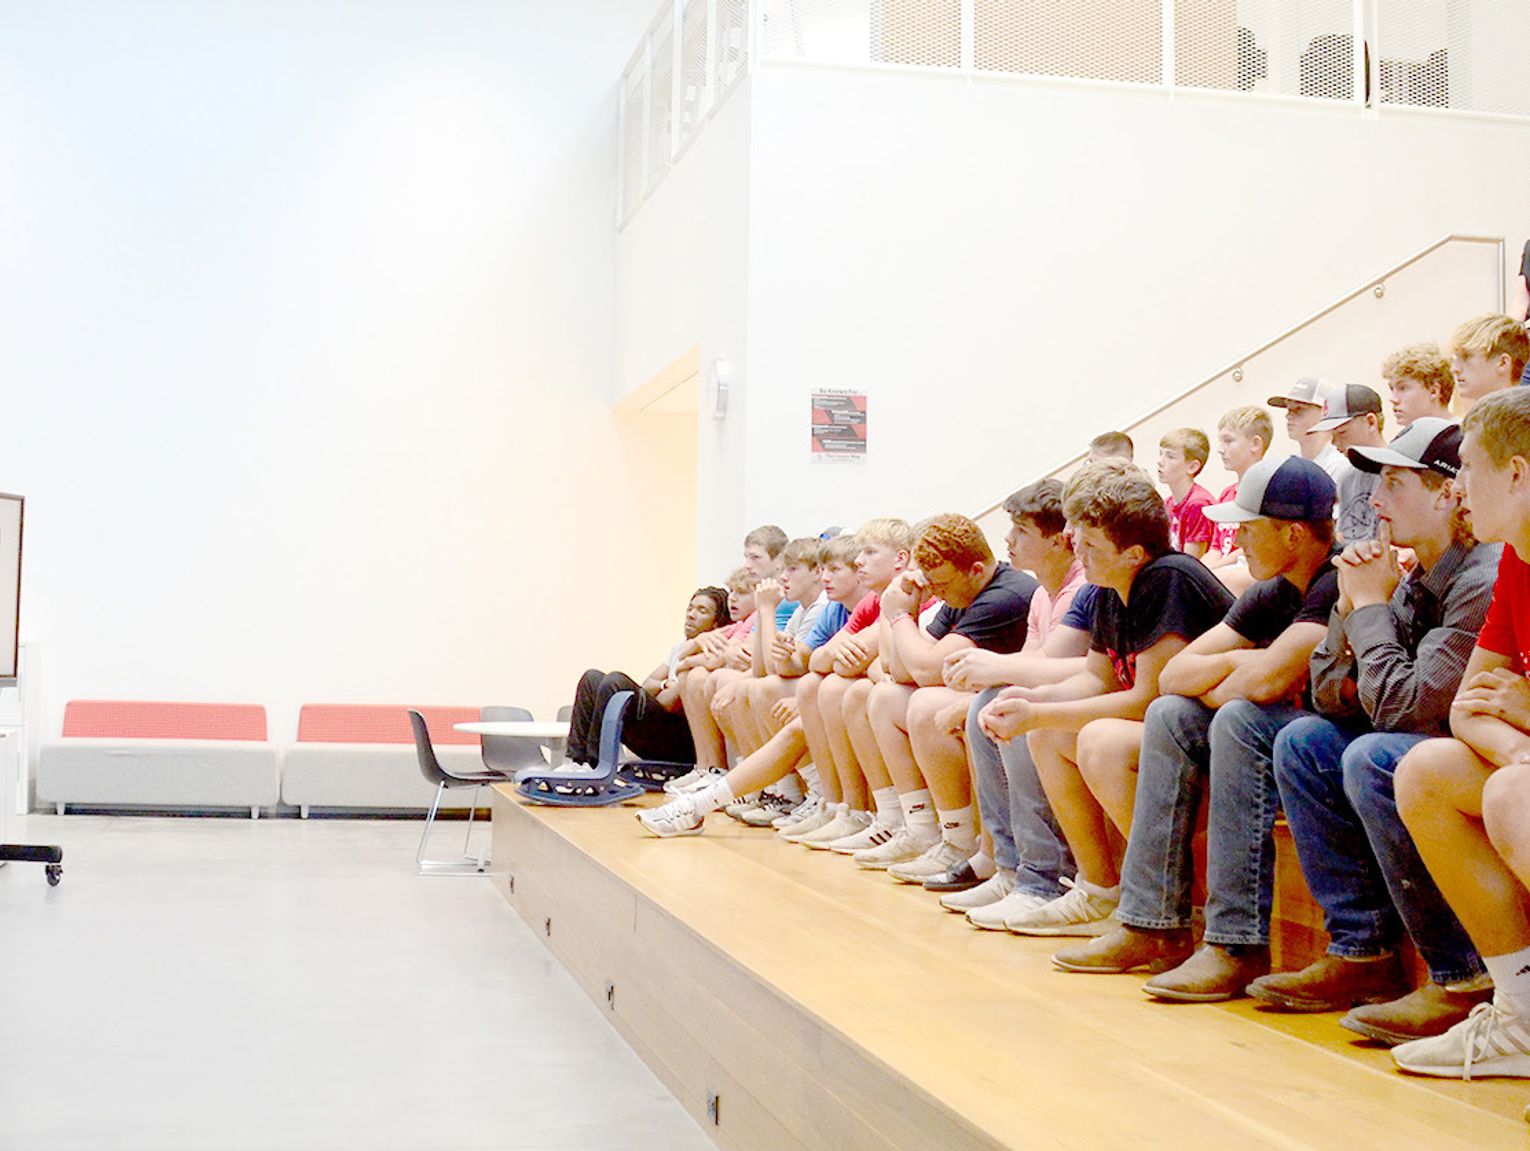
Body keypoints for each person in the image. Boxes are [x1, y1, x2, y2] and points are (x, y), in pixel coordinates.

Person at [1247, 419, 1498, 1041]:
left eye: (1392, 482)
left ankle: (1463, 977)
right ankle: (1364, 954)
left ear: (1448, 493)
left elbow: (1409, 708)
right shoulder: (1407, 576)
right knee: (1304, 743)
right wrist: (1350, 605)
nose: (1374, 501)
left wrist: (1371, 608)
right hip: (1434, 743)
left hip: (1479, 754)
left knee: (1376, 757)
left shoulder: (1481, 579)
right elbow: (1332, 695)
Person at [1052, 455, 1339, 995]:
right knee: (1172, 713)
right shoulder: (1271, 590)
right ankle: (1150, 923)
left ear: (1293, 534)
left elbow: (1268, 682)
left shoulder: (1335, 582)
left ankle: (1234, 942)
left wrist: (1247, 673)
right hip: (1274, 735)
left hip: (1320, 745)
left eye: (1247, 530)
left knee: (1235, 717)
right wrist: (1241, 668)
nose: (1237, 544)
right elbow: (1176, 678)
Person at [977, 459, 1233, 936]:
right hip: (1170, 733)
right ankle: (1099, 891)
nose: (1078, 551)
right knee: (1051, 731)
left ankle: (1170, 903)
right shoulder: (1111, 585)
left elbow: (1146, 701)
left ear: (1133, 552)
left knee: (1100, 741)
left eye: (1089, 544)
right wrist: (1032, 701)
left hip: (1217, 742)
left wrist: (1039, 712)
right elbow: (1097, 679)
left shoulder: (1168, 578)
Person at [1390, 389, 1530, 1078]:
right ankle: (1523, 1013)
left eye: (1469, 468)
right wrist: (1520, 747)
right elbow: (1468, 707)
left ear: (1518, 472)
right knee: (1427, 770)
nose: (1460, 488)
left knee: (1512, 797)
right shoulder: (1517, 563)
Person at [936, 479, 1091, 911]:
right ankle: (1009, 868)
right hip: (1060, 695)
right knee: (987, 705)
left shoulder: (1080, 588)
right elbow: (1030, 661)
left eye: (1022, 531)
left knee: (1012, 709)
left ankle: (1045, 878)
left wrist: (994, 671)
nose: (1008, 540)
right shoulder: (1043, 592)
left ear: (1061, 540)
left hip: (1081, 703)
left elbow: (1050, 670)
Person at [855, 513, 1037, 879]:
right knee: (886, 698)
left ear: (975, 569)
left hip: (1011, 700)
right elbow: (899, 669)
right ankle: (919, 828)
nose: (936, 594)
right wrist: (895, 611)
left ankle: (960, 841)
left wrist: (899, 616)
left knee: (923, 705)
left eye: (941, 585)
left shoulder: (1004, 595)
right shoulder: (959, 588)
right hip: (978, 699)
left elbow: (926, 670)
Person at [564, 587, 729, 767]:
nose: (691, 615)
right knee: (592, 679)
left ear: (716, 622)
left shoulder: (712, 653)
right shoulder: (681, 646)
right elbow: (647, 684)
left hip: (682, 743)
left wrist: (662, 689)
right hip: (658, 729)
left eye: (701, 611)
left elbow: (668, 704)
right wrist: (667, 684)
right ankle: (578, 762)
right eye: (690, 608)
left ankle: (597, 765)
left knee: (615, 682)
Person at [1203, 405, 1273, 595]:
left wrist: (1209, 574)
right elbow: (1216, 548)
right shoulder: (1227, 494)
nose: (1220, 450)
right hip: (1222, 572)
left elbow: (1251, 548)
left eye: (1228, 441)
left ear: (1255, 444)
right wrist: (1198, 570)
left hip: (1250, 573)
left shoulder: (1269, 491)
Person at [1311, 384, 1387, 543]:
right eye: (1331, 435)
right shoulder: (1347, 476)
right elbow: (1343, 536)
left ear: (1371, 422)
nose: (1335, 443)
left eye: (1342, 433)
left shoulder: (1400, 471)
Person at [1269, 377, 1349, 488]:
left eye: (1299, 409)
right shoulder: (1290, 466)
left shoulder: (1339, 467)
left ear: (1325, 413)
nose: (1288, 416)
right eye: (1288, 409)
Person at [1449, 314, 1529, 411]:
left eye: (1467, 357)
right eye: (1454, 358)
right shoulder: (1476, 421)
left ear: (1502, 363)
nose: (1454, 369)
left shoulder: (1522, 421)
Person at [1158, 428, 1214, 558]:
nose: (1160, 461)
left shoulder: (1198, 504)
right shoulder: (1167, 504)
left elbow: (1191, 562)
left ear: (1192, 467)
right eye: (1160, 453)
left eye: (1170, 456)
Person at [1383, 342, 1455, 428]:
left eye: (1403, 388)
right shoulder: (1411, 438)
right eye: (1392, 389)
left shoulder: (1465, 437)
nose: (1393, 399)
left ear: (1433, 391)